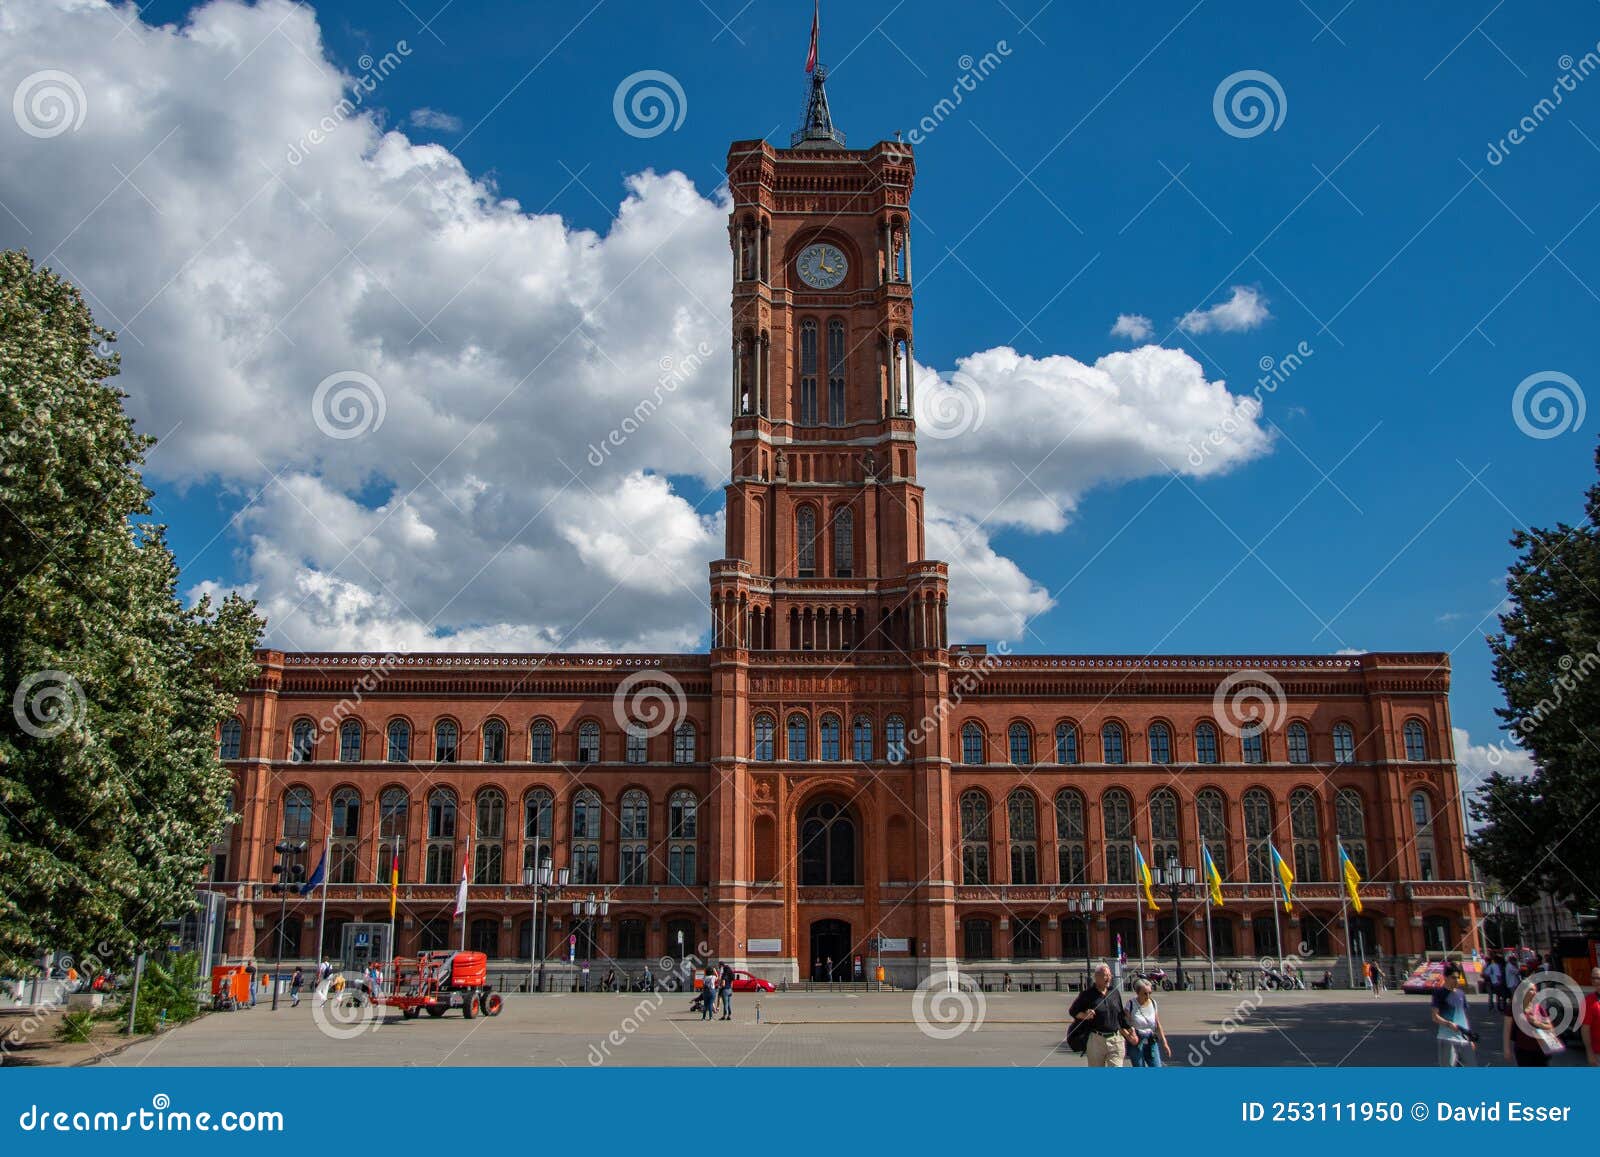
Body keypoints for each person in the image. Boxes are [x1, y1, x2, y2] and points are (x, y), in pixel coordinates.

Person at [1069, 963, 1136, 1067]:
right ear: (1096, 977)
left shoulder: (1114, 992)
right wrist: (1085, 1015)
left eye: (1110, 975)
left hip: (1115, 1040)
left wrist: (1130, 1030)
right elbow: (1073, 1011)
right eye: (1105, 975)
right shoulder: (1088, 994)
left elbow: (1120, 1015)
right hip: (1096, 1040)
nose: (1109, 978)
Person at [1431, 963, 1476, 1067]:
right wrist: (1448, 1024)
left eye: (1458, 978)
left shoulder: (1461, 993)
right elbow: (1434, 1016)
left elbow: (1463, 1017)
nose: (1456, 981)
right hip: (1447, 1038)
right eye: (1453, 978)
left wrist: (1470, 1037)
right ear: (1445, 977)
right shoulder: (1439, 993)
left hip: (1463, 1039)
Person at [1503, 980, 1556, 1066]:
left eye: (1535, 990)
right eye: (1531, 989)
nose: (1535, 992)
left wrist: (1537, 1023)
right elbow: (1507, 1030)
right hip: (1523, 1050)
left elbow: (1550, 1028)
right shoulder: (1513, 1007)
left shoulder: (1538, 1007)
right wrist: (1506, 1049)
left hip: (1541, 1050)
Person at [1124, 979, 1171, 1067]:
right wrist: (1129, 1037)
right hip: (1136, 1042)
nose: (1148, 996)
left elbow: (1157, 1024)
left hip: (1151, 1040)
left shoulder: (1153, 1003)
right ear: (1137, 992)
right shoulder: (1130, 1004)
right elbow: (1123, 1025)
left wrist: (1165, 1043)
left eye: (1150, 993)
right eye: (1145, 993)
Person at [1581, 965, 1600, 1067]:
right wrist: (1589, 1052)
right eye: (1593, 978)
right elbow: (1585, 1029)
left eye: (1598, 978)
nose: (1595, 981)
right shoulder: (1589, 1001)